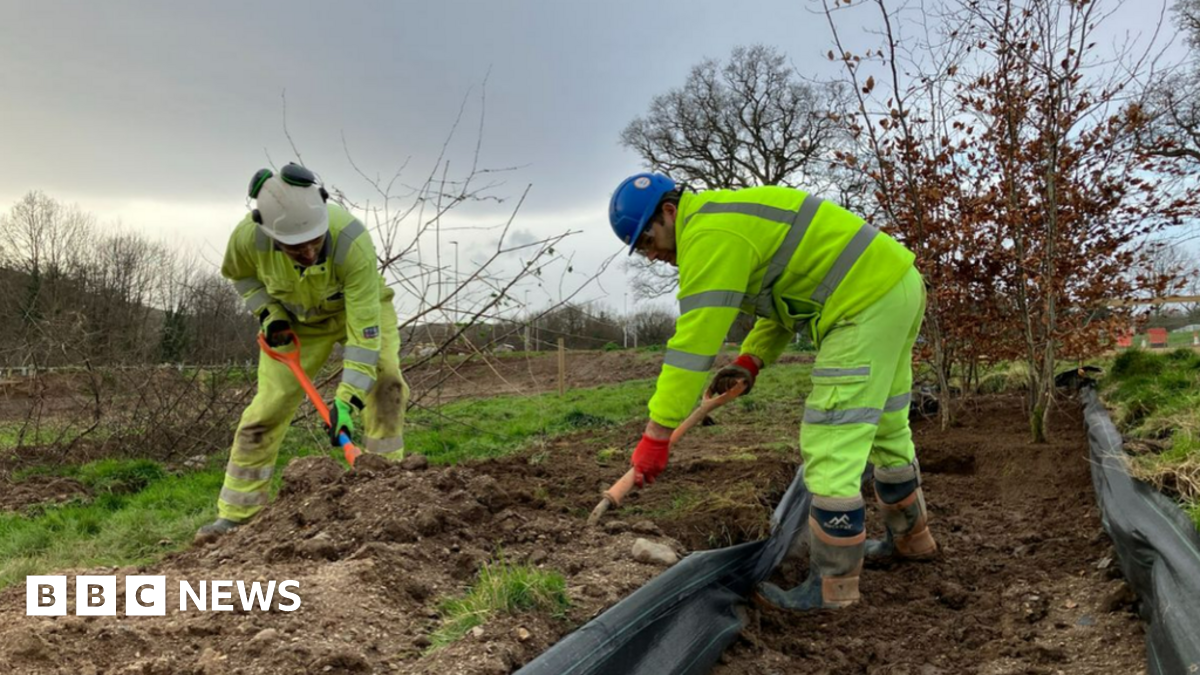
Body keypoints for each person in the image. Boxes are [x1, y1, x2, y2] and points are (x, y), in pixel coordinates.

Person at [608, 173, 937, 610]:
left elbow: (692, 346)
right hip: (896, 286)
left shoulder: (709, 236)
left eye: (648, 240)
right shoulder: (729, 221)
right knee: (888, 426)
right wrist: (751, 360)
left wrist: (657, 434)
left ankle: (832, 587)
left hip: (862, 303)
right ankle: (912, 539)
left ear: (669, 212)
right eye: (643, 251)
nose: (653, 255)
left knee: (832, 436)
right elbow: (786, 300)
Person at [195, 163, 409, 542]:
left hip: (358, 310)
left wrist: (346, 401)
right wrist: (269, 313)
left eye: (314, 241)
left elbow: (364, 333)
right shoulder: (247, 239)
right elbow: (240, 277)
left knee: (387, 381)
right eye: (295, 248)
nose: (308, 253)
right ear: (268, 232)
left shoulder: (351, 240)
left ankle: (385, 490)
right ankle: (237, 514)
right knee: (266, 410)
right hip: (297, 324)